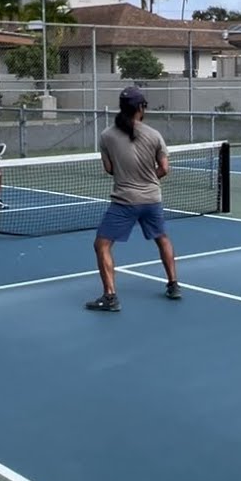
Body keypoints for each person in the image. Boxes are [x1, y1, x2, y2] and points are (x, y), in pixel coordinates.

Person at [85, 86, 180, 312]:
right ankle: (173, 284)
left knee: (102, 245)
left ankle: (110, 297)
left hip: (124, 201)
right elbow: (164, 168)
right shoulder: (154, 135)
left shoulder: (106, 136)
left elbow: (109, 169)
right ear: (140, 108)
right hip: (151, 199)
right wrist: (148, 179)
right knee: (162, 238)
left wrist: (129, 176)